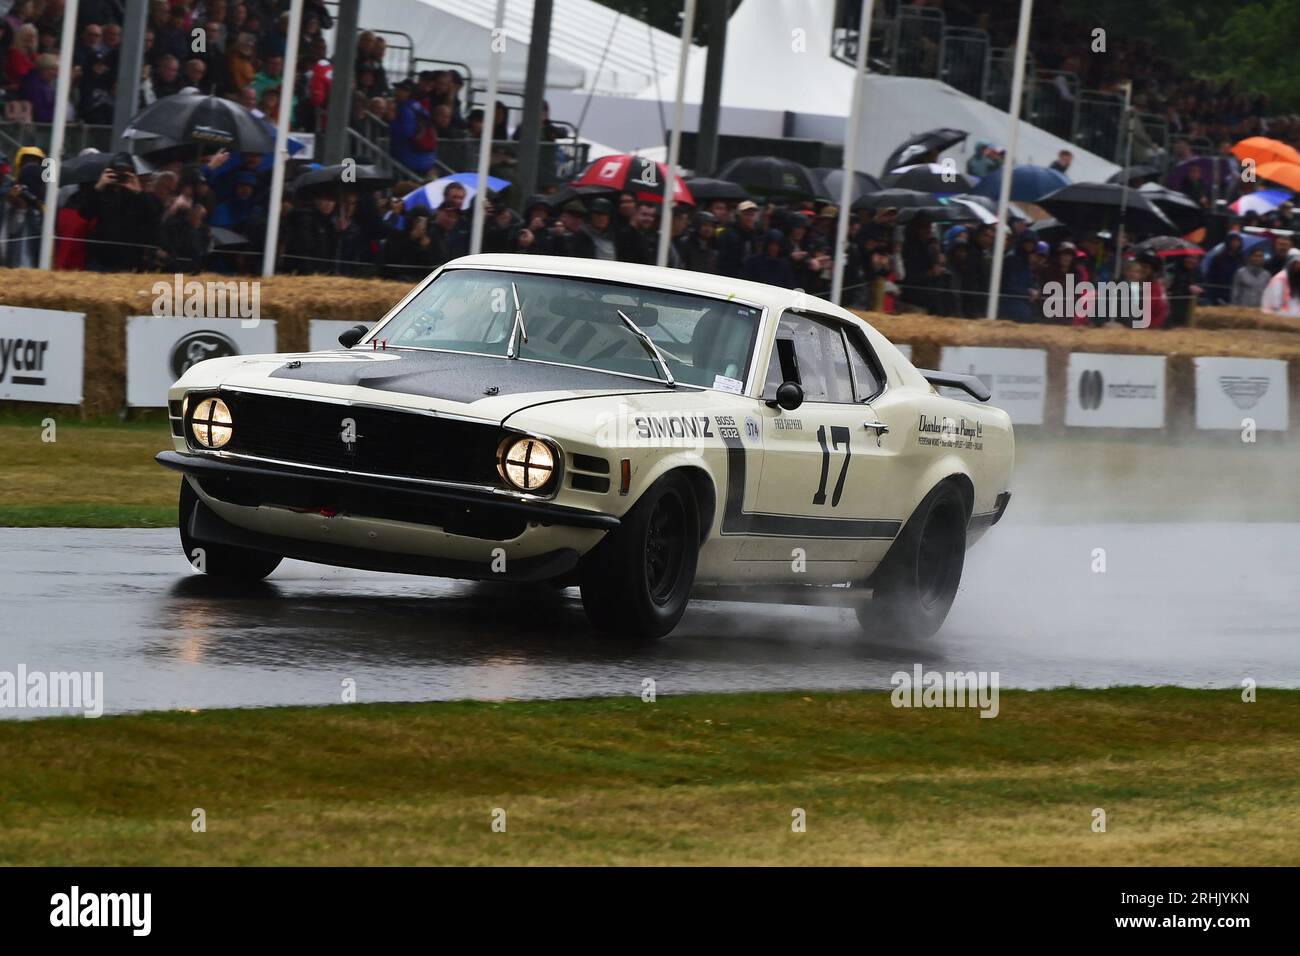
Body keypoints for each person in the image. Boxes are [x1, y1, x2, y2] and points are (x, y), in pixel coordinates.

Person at [715, 199, 759, 277]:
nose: (750, 218)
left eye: (752, 215)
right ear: (739, 216)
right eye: (747, 214)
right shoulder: (728, 234)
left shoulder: (754, 236)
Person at [1260, 249, 1300, 316]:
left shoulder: (1297, 278)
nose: (1298, 266)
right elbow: (1275, 303)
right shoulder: (1280, 278)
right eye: (1296, 263)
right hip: (1279, 315)